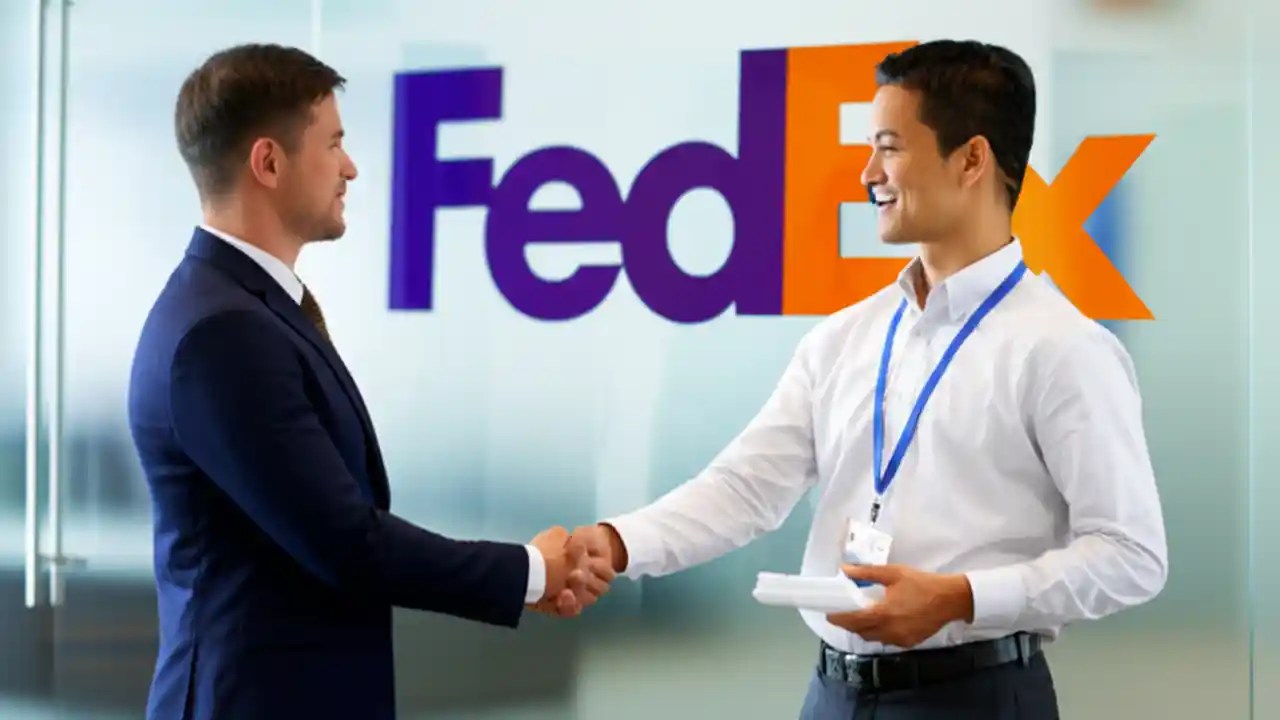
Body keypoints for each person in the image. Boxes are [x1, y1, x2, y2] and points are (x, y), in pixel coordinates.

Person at [565, 39, 1168, 718]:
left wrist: (962, 598)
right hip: (832, 696)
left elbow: (1131, 554)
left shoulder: (1063, 348)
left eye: (889, 147)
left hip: (976, 698)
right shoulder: (843, 338)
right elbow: (745, 488)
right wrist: (618, 544)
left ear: (971, 159)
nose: (867, 174)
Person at [126, 43, 612, 720]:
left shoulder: (235, 308)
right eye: (333, 144)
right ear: (268, 163)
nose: (350, 167)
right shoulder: (222, 333)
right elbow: (345, 543)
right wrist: (531, 571)